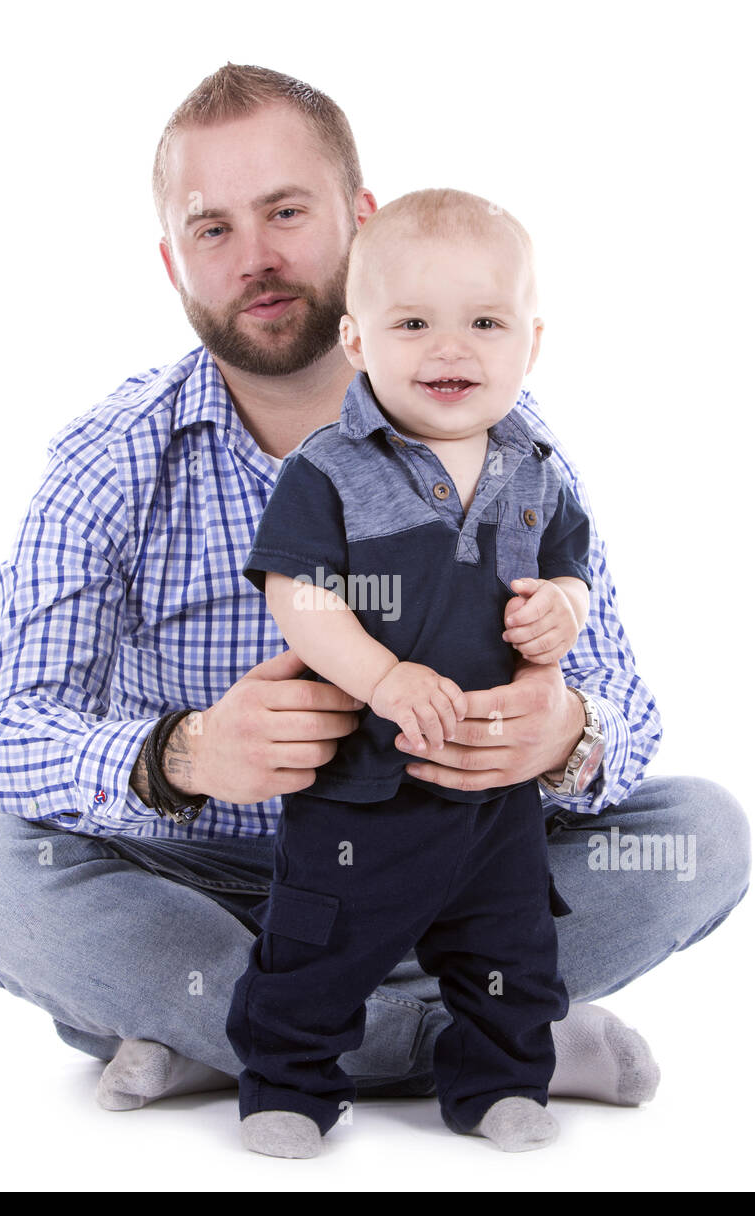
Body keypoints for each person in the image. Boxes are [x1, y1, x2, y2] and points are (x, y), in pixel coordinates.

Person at [0, 63, 751, 1132]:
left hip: (456, 866)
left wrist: (561, 731)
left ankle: (230, 1038)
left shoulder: (510, 444)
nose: (256, 257)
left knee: (701, 834)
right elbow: (3, 738)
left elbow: (626, 713)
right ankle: (491, 1037)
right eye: (211, 229)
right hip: (203, 891)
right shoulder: (108, 460)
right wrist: (181, 755)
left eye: (285, 211)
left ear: (360, 225)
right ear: (173, 262)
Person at [227, 188, 593, 1157]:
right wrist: (383, 680)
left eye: (483, 322)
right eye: (413, 324)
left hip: (496, 795)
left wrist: (566, 608)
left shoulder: (536, 469)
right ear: (355, 342)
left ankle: (501, 1081)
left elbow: (571, 570)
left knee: (510, 945)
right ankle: (289, 1086)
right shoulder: (331, 468)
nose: (450, 349)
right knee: (317, 944)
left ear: (532, 340)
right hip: (364, 794)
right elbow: (298, 594)